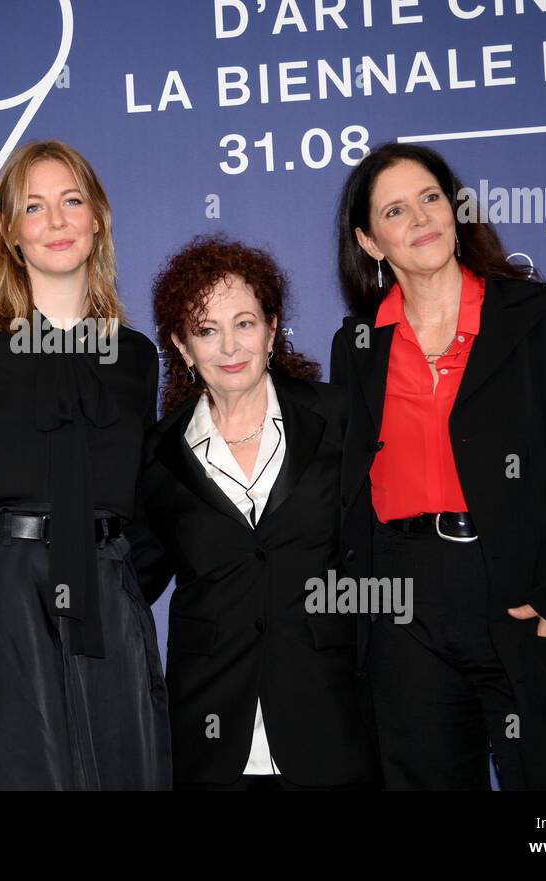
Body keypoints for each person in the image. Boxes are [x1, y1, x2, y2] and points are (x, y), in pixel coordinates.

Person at [328, 142, 546, 790]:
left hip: (526, 597)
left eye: (431, 198)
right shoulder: (357, 345)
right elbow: (349, 491)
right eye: (395, 210)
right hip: (406, 610)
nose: (420, 218)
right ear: (370, 240)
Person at [0, 139, 171, 790]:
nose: (56, 221)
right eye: (35, 206)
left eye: (71, 201)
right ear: (9, 230)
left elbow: (146, 503)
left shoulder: (136, 357)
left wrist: (114, 582)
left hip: (102, 601)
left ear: (98, 218)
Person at [127, 235, 377, 790]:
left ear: (271, 328)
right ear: (183, 347)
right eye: (206, 330)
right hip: (210, 730)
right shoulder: (159, 453)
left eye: (244, 323)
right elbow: (130, 579)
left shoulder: (336, 416)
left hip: (329, 719)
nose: (229, 346)